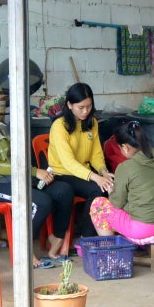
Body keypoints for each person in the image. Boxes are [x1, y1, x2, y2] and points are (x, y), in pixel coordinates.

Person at [0, 83, 75, 268]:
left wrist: (35, 173)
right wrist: (33, 172)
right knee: (40, 201)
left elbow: (14, 158)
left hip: (13, 178)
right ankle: (23, 251)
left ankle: (56, 238)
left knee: (63, 189)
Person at [89, 120, 154, 241]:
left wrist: (111, 191)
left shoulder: (126, 167)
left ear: (125, 147)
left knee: (99, 205)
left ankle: (111, 252)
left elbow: (117, 203)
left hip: (145, 229)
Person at [47, 83, 114, 239]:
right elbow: (68, 163)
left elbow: (96, 154)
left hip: (82, 173)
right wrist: (97, 177)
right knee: (97, 189)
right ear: (70, 105)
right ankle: (86, 237)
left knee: (106, 187)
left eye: (89, 106)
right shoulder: (59, 126)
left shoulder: (92, 123)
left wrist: (104, 172)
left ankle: (87, 235)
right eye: (81, 107)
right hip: (61, 174)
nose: (85, 111)